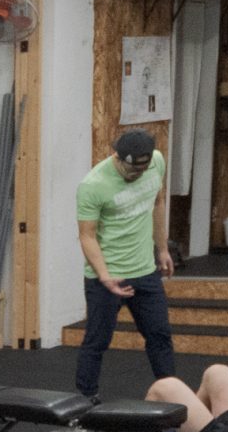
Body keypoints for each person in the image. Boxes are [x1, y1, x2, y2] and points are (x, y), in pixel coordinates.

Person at [73, 128, 175, 400]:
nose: (136, 175)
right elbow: (87, 236)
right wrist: (104, 275)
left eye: (141, 170)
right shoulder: (93, 185)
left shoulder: (157, 162)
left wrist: (162, 248)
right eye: (131, 170)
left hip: (145, 271)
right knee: (97, 341)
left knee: (160, 336)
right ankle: (85, 399)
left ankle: (172, 397)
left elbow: (158, 202)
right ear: (117, 157)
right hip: (107, 276)